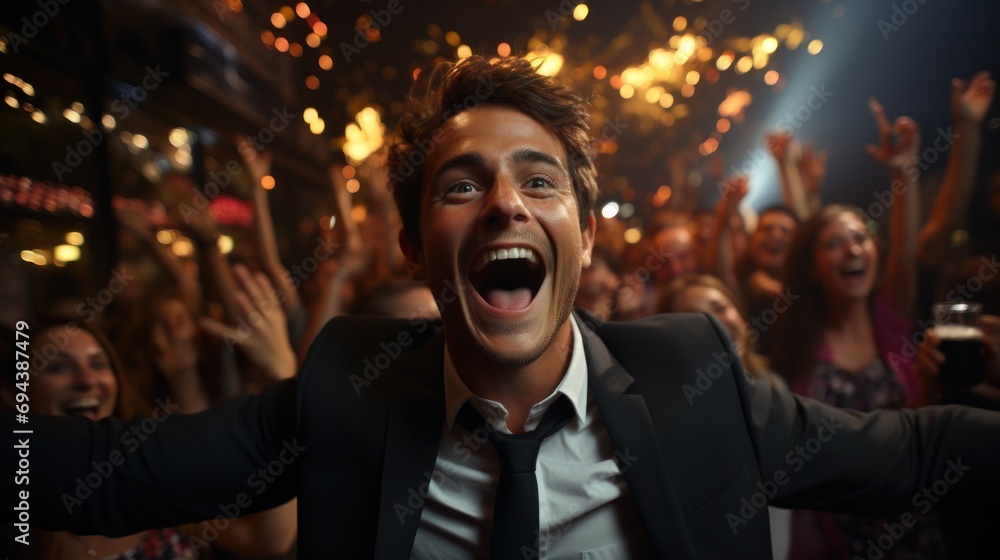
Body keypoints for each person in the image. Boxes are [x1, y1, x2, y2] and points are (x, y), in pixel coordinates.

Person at [11, 56, 1000, 559]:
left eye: (539, 181)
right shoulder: (345, 391)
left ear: (583, 232)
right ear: (411, 247)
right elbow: (101, 474)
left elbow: (913, 454)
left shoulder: (693, 380)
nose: (502, 204)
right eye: (460, 185)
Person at [1, 318, 296, 559]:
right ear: (14, 395)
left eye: (98, 364)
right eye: (58, 367)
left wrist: (280, 374)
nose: (88, 380)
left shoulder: (149, 474)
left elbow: (268, 541)